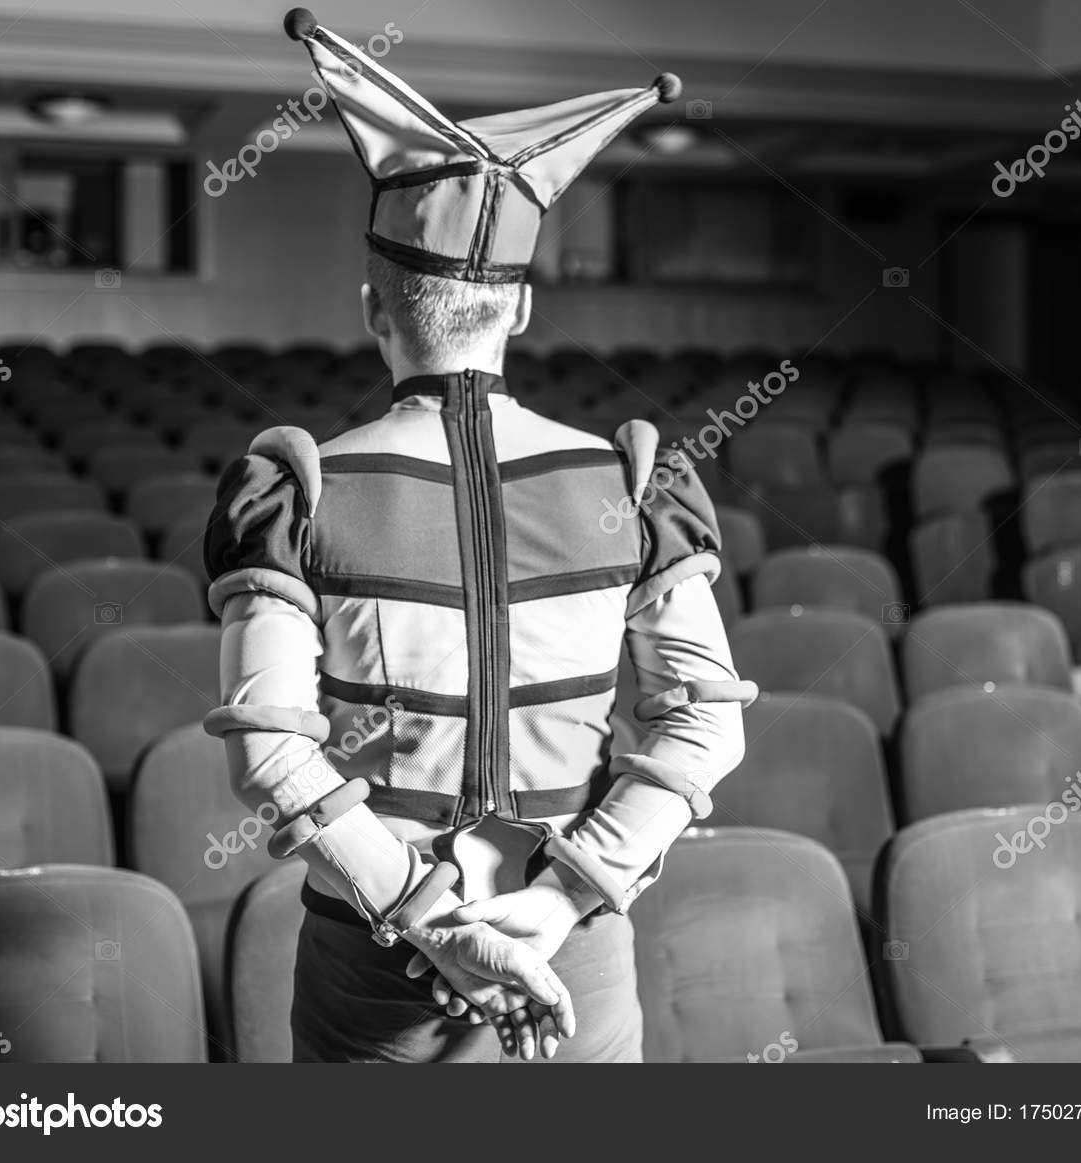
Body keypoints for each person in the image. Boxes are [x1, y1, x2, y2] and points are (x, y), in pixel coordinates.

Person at [202, 8, 754, 1063]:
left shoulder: (292, 485)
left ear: (375, 305)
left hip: (377, 961)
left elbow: (271, 753)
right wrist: (556, 905)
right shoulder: (638, 481)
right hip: (575, 948)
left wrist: (434, 924)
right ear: (525, 307)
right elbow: (704, 730)